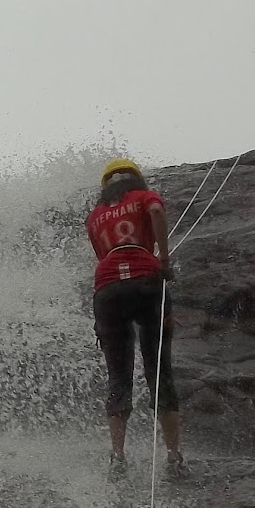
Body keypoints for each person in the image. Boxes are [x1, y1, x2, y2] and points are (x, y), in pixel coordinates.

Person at [86, 157, 183, 473]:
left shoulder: (95, 216)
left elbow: (103, 256)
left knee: (118, 374)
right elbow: (156, 212)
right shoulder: (145, 197)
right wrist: (164, 260)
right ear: (136, 179)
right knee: (159, 369)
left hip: (108, 289)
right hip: (147, 281)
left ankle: (117, 456)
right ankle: (173, 456)